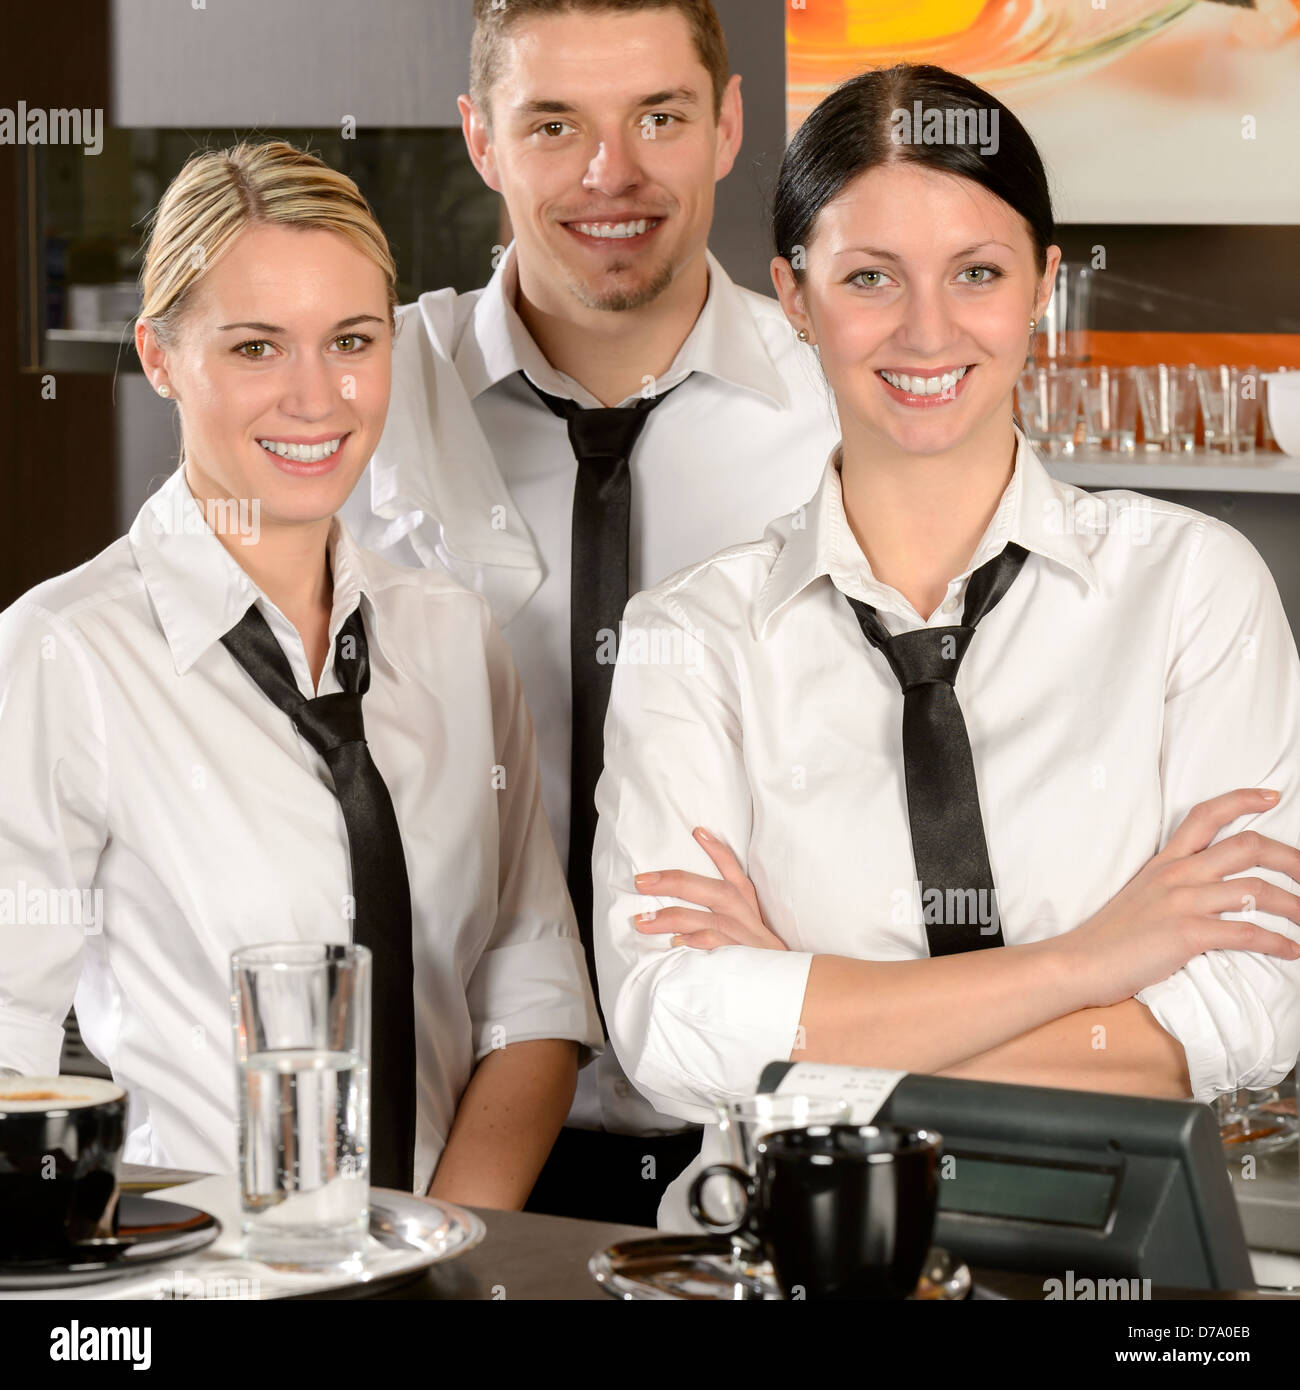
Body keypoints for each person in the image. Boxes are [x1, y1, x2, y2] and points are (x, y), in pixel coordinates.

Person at [591, 63, 1300, 1230]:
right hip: (779, 1255)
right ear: (794, 297)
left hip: (1118, 1256)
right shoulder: (692, 637)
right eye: (869, 277)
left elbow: (1250, 1002)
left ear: (1041, 289)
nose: (928, 330)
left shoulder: (1191, 589)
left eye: (976, 273)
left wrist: (804, 1041)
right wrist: (1096, 960)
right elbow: (671, 1027)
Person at [0, 140, 602, 1206]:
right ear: (160, 355)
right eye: (255, 347)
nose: (316, 397)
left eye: (352, 341)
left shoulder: (455, 637)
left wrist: (434, 1248)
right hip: (189, 1278)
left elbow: (534, 994)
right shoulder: (64, 653)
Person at [338, 0, 841, 1223]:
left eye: (657, 116)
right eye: (553, 124)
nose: (609, 175)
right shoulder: (354, 396)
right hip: (431, 1137)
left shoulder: (845, 409)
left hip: (770, 1136)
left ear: (727, 125)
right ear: (480, 139)